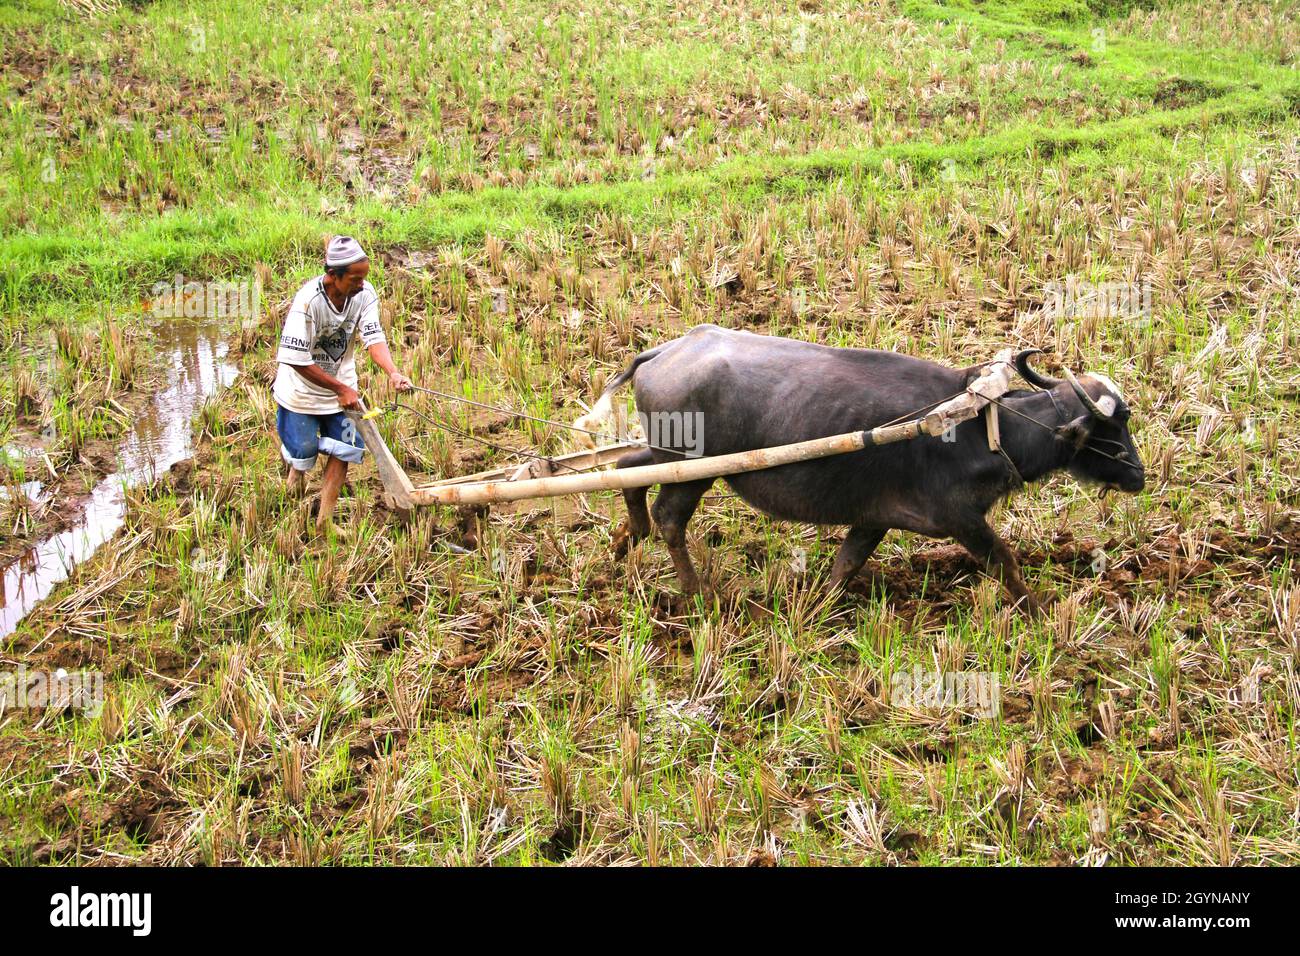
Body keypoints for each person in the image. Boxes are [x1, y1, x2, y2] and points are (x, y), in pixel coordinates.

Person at [273, 235, 412, 537]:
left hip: (342, 389)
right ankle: (296, 469)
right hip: (301, 392)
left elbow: (374, 338)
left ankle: (325, 521)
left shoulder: (364, 294)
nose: (362, 283)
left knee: (346, 448)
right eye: (354, 278)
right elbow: (296, 360)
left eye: (364, 277)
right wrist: (340, 389)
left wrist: (392, 372)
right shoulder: (307, 302)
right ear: (332, 276)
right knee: (305, 450)